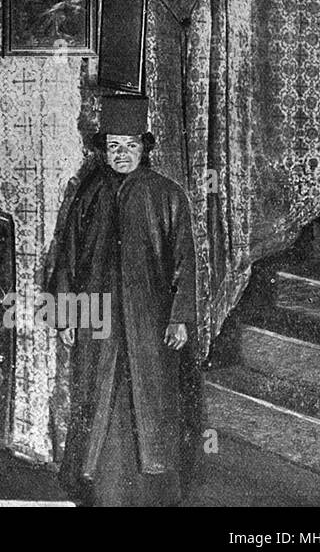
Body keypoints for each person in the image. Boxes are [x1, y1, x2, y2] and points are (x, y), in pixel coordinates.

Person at [48, 95, 203, 507]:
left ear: (144, 148)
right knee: (100, 403)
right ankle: (102, 494)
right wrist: (65, 317)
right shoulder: (89, 194)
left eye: (130, 146)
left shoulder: (168, 196)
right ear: (103, 149)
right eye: (113, 146)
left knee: (151, 405)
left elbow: (186, 262)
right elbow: (68, 257)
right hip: (97, 320)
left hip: (149, 322)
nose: (121, 154)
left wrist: (180, 318)